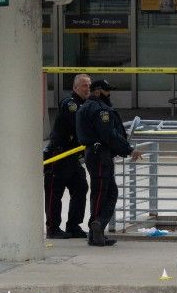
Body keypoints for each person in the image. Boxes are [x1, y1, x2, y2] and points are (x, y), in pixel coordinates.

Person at [75, 79, 141, 246]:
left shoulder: (85, 107)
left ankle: (96, 231)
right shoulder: (100, 110)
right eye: (106, 90)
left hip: (93, 153)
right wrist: (128, 149)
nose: (109, 94)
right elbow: (109, 135)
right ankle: (97, 225)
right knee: (103, 193)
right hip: (100, 155)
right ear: (97, 91)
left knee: (106, 192)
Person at [43, 74, 91, 239]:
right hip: (58, 154)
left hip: (72, 156)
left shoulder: (85, 104)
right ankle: (53, 228)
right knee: (54, 193)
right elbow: (79, 123)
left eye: (89, 86)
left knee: (80, 187)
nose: (88, 89)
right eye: (84, 85)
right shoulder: (70, 104)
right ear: (75, 87)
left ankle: (73, 225)